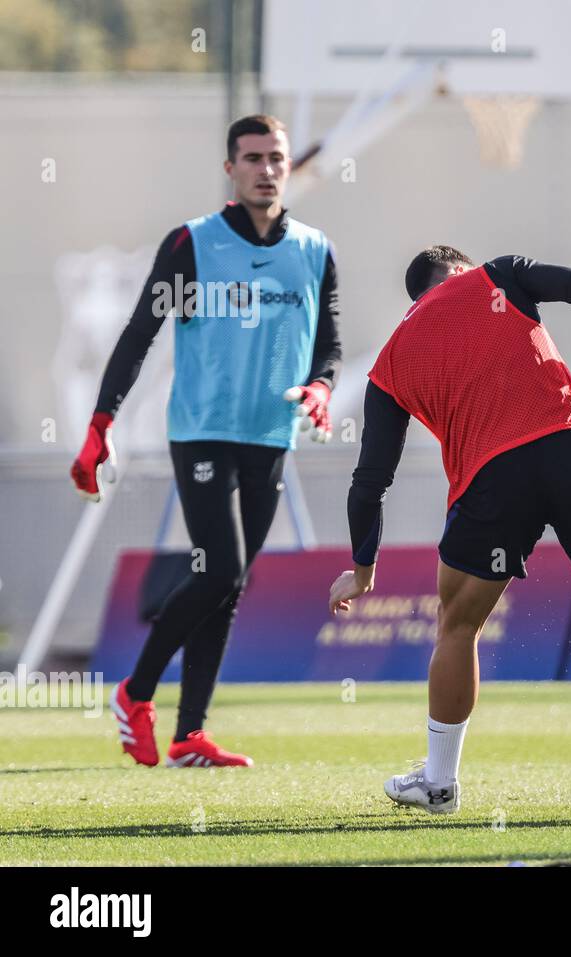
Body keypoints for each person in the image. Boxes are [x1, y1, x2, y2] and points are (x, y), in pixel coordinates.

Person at [328, 246, 571, 816]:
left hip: (489, 478)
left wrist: (362, 571)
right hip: (569, 446)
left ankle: (439, 781)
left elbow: (368, 484)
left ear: (416, 298)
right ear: (460, 271)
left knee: (457, 628)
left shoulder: (389, 363)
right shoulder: (495, 275)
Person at [72, 114, 342, 768]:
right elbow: (139, 334)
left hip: (270, 436)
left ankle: (190, 732)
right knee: (218, 567)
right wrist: (99, 425)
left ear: (287, 165)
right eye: (252, 157)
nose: (266, 168)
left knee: (232, 579)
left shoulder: (313, 250)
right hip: (201, 433)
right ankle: (135, 693)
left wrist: (322, 389)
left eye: (275, 156)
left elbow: (328, 345)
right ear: (231, 168)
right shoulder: (191, 244)